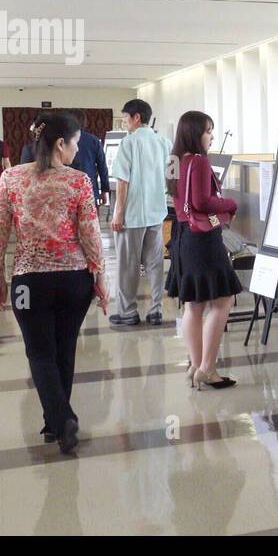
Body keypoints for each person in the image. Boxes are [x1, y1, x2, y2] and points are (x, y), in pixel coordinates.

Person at [0, 112, 109, 453]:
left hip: (29, 283)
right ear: (60, 144)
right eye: (76, 143)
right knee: (64, 349)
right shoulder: (79, 182)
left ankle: (60, 421)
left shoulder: (11, 179)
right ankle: (57, 421)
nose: (77, 150)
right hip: (74, 282)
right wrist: (99, 276)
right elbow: (90, 235)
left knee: (40, 353)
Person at [167, 111, 240, 389]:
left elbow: (181, 200)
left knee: (193, 304)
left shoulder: (174, 160)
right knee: (223, 301)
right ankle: (208, 368)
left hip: (183, 235)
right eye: (208, 131)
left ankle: (196, 366)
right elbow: (201, 201)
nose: (211, 137)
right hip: (203, 239)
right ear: (195, 133)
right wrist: (229, 204)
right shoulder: (198, 161)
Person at [109, 99, 171, 326]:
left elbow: (122, 181)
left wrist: (118, 212)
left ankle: (128, 312)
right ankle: (156, 311)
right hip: (156, 213)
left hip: (132, 216)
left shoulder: (129, 143)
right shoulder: (164, 142)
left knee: (128, 264)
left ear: (136, 117)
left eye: (126, 119)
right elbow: (170, 177)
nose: (125, 124)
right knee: (155, 264)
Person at [66, 110, 109, 210]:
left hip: (67, 189)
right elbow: (102, 167)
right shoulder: (94, 140)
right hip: (89, 190)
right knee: (91, 222)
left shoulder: (63, 140)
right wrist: (104, 190)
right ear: (84, 122)